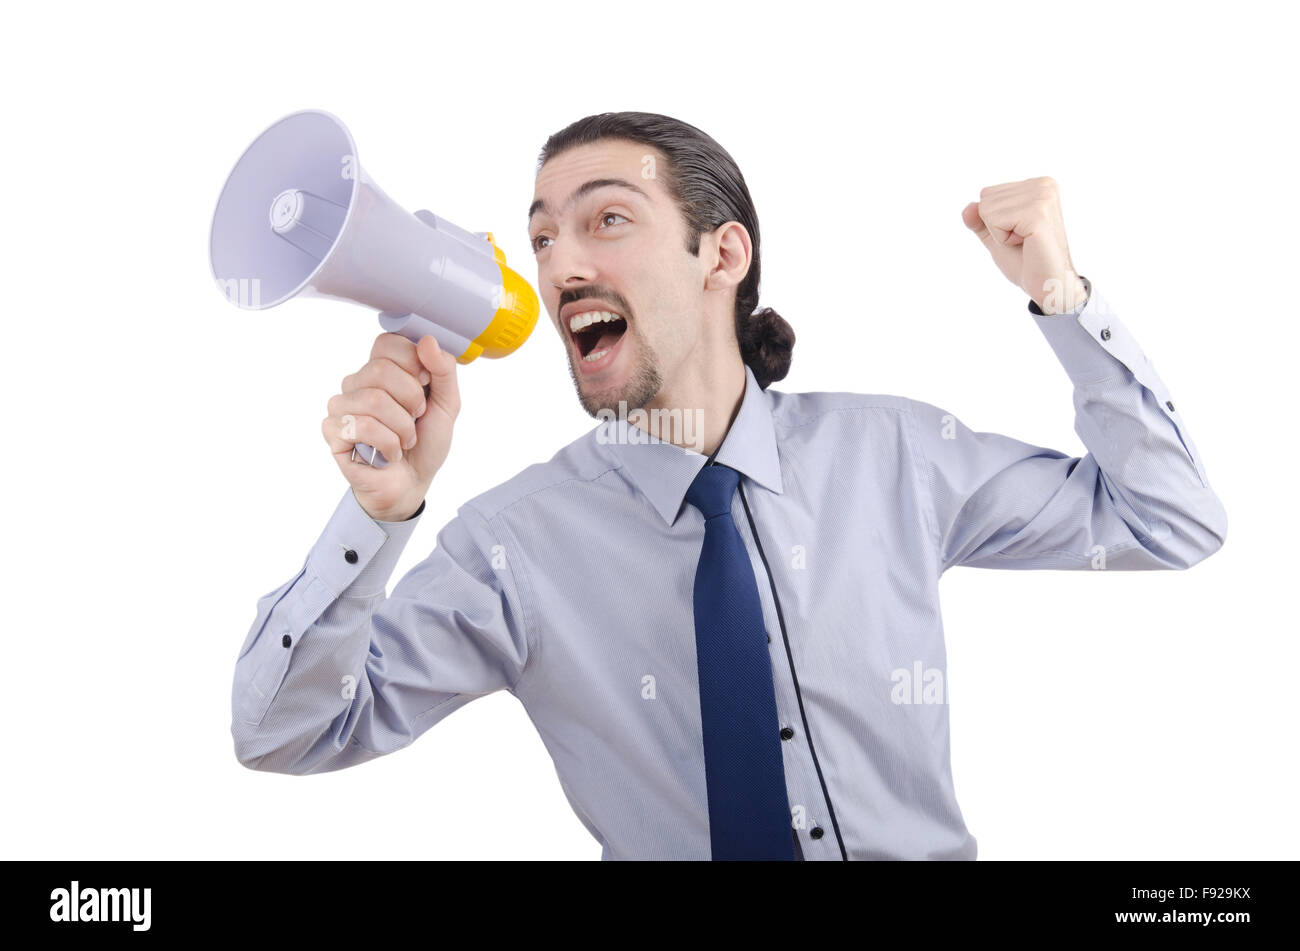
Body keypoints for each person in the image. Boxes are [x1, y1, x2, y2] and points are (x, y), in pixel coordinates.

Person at [230, 112, 1227, 860]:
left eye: (604, 220)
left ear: (724, 254)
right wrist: (377, 516)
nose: (560, 265)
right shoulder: (512, 549)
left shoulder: (897, 454)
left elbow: (1169, 518)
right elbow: (283, 732)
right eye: (540, 240)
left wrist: (1062, 299)